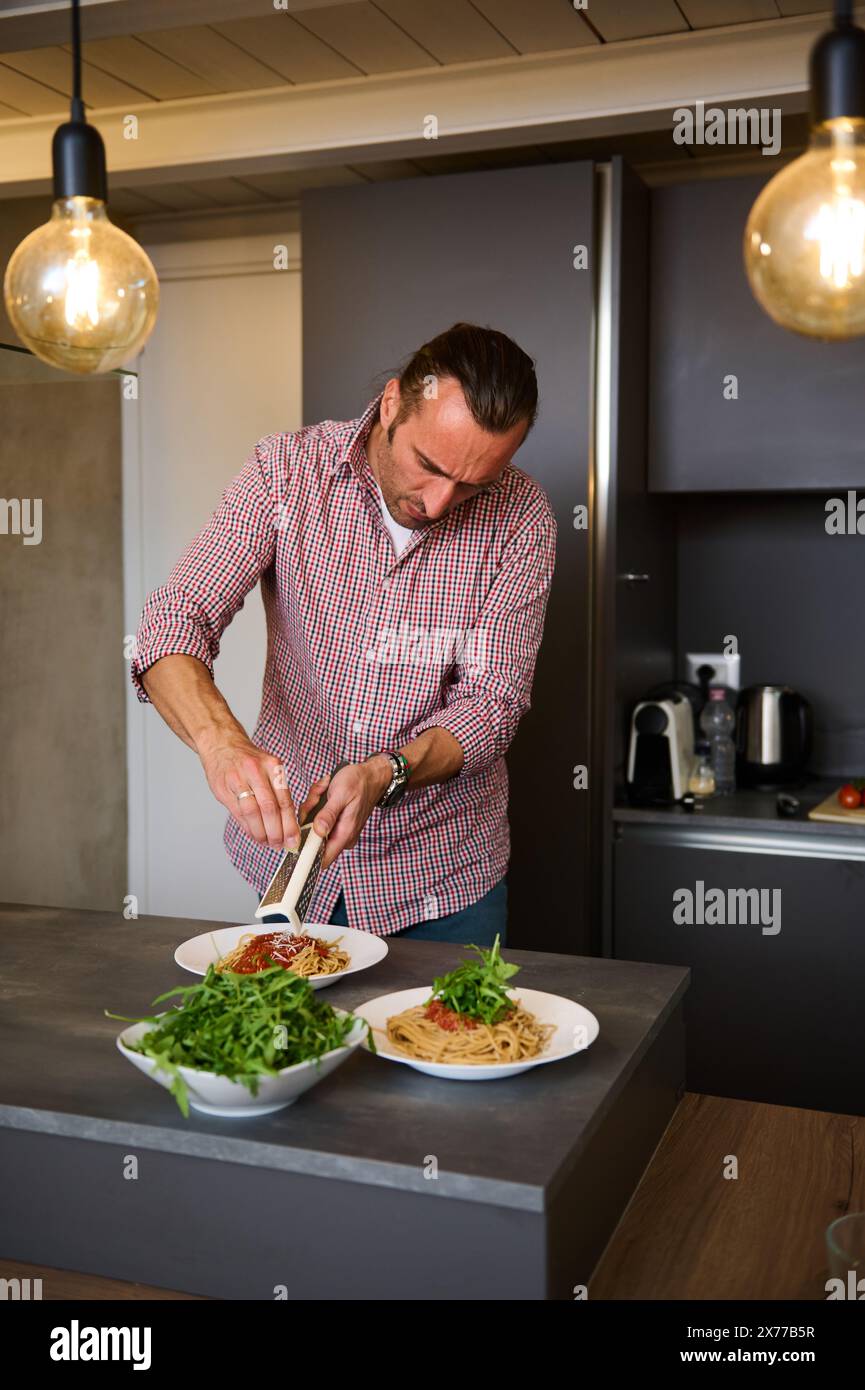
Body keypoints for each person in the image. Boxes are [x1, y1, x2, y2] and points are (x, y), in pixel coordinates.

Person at [132, 322, 555, 944]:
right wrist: (220, 743)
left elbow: (493, 704)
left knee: (441, 1044)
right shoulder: (286, 471)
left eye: (472, 485)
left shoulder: (523, 518)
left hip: (442, 879)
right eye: (429, 466)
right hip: (292, 866)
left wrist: (387, 772)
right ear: (391, 405)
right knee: (295, 1041)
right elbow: (175, 620)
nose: (438, 503)